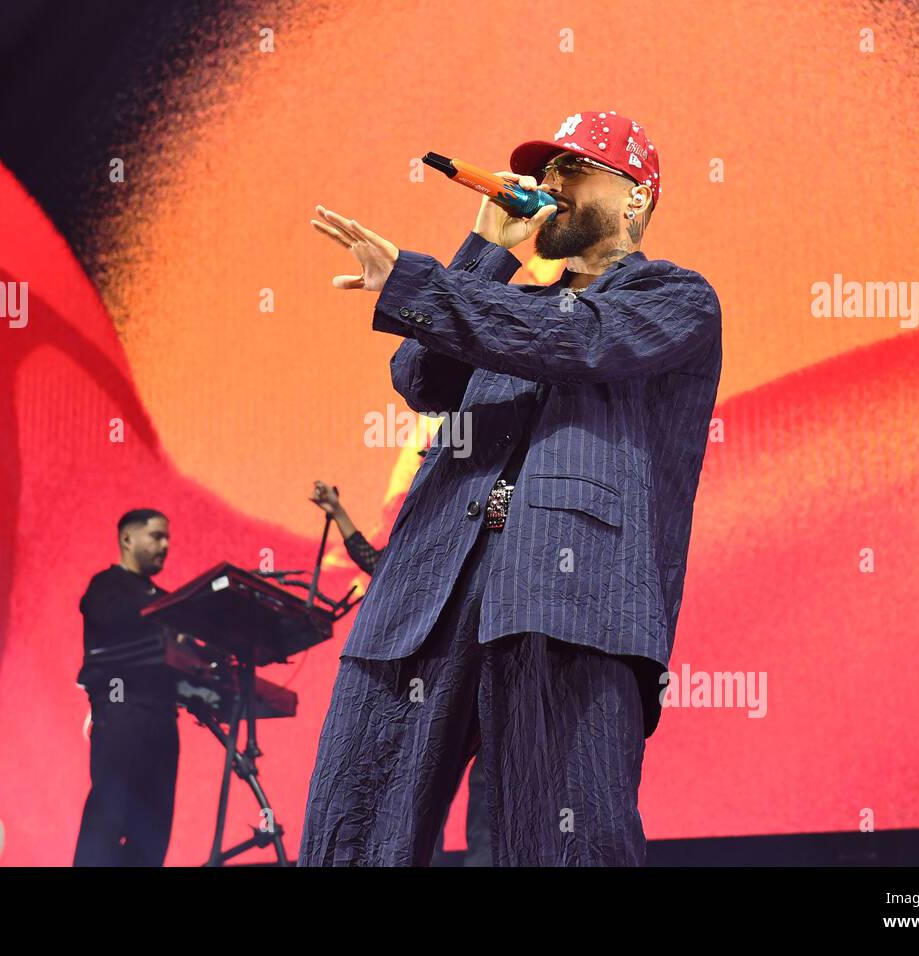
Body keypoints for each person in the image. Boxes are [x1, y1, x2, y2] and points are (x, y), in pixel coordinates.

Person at [300, 110, 722, 866]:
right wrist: (484, 251)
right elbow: (421, 376)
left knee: (566, 842)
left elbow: (578, 336)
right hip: (426, 594)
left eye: (571, 169)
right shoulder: (505, 302)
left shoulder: (677, 298)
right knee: (355, 830)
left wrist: (422, 279)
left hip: (569, 603)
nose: (547, 183)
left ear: (635, 198)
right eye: (543, 170)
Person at [310, 479, 491, 866]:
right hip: (441, 686)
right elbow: (378, 564)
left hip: (499, 676)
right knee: (419, 793)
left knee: (491, 801)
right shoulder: (429, 560)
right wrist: (339, 514)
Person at [73, 508, 179, 866]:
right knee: (109, 816)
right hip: (122, 712)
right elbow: (107, 616)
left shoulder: (166, 600)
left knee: (153, 831)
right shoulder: (107, 585)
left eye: (167, 537)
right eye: (156, 536)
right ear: (127, 539)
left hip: (163, 719)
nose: (165, 545)